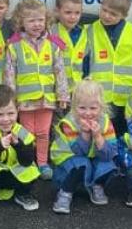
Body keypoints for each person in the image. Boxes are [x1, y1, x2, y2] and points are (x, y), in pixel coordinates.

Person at [4, 0, 69, 181]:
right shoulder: (15, 45)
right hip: (24, 100)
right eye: (31, 20)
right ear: (21, 22)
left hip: (46, 99)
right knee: (26, 134)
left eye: (40, 20)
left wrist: (62, 94)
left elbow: (60, 71)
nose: (37, 24)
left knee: (43, 133)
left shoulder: (53, 44)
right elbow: (9, 73)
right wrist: (11, 100)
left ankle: (42, 163)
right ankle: (28, 161)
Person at [50, 80, 121, 214]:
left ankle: (96, 185)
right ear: (74, 107)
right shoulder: (69, 123)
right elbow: (78, 152)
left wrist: (99, 137)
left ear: (101, 107)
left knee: (109, 164)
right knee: (81, 164)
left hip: (93, 158)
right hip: (69, 161)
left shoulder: (105, 122)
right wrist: (85, 134)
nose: (88, 113)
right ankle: (65, 192)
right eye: (82, 108)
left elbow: (111, 153)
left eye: (93, 108)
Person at [87, 0, 132, 127]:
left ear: (124, 16)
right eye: (104, 10)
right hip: (100, 97)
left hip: (130, 96)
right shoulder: (90, 31)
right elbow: (83, 62)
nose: (106, 16)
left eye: (113, 14)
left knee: (128, 132)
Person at [51, 0, 88, 92]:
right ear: (57, 11)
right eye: (68, 12)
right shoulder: (51, 32)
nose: (73, 17)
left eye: (77, 13)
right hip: (57, 91)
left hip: (79, 91)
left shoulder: (84, 33)